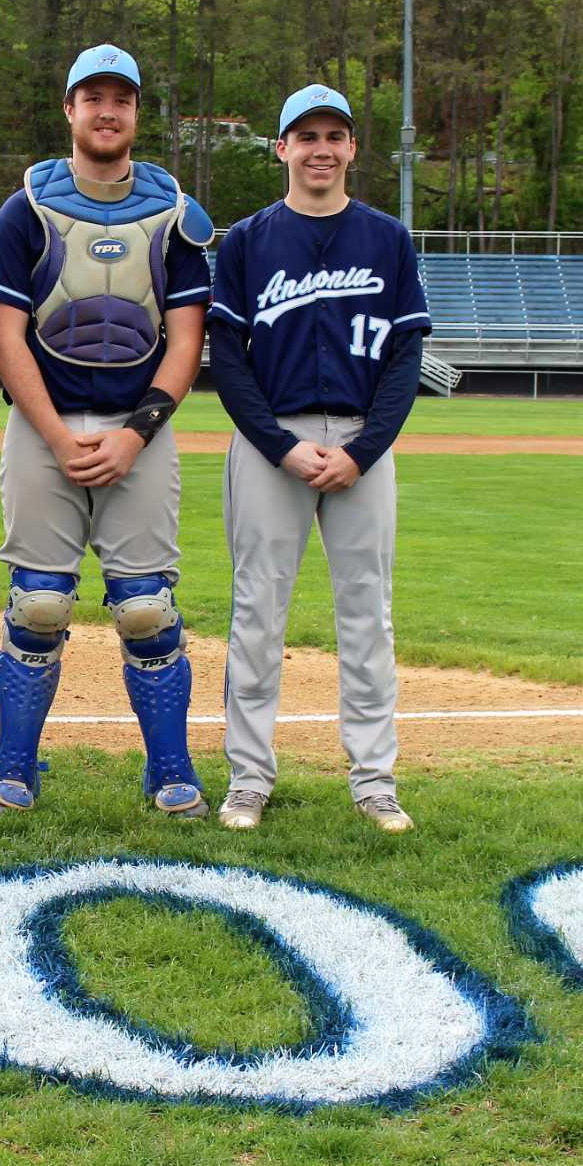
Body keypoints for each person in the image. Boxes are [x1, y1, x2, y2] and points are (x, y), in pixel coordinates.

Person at [0, 44, 213, 817]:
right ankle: (13, 769)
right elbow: (5, 333)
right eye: (92, 97)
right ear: (69, 109)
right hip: (43, 429)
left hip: (137, 429)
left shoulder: (175, 213)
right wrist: (52, 430)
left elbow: (185, 338)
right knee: (39, 603)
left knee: (146, 606)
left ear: (137, 112)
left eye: (122, 98)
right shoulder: (28, 208)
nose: (107, 111)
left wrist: (136, 433)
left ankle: (170, 770)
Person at [206, 84, 429, 834]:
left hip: (364, 439)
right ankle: (248, 779)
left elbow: (405, 358)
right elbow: (227, 361)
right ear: (282, 149)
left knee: (368, 616)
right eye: (306, 137)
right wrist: (282, 445)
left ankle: (375, 781)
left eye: (334, 135)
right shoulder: (247, 241)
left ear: (353, 149)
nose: (321, 148)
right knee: (256, 614)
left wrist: (363, 451)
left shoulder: (388, 239)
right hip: (273, 441)